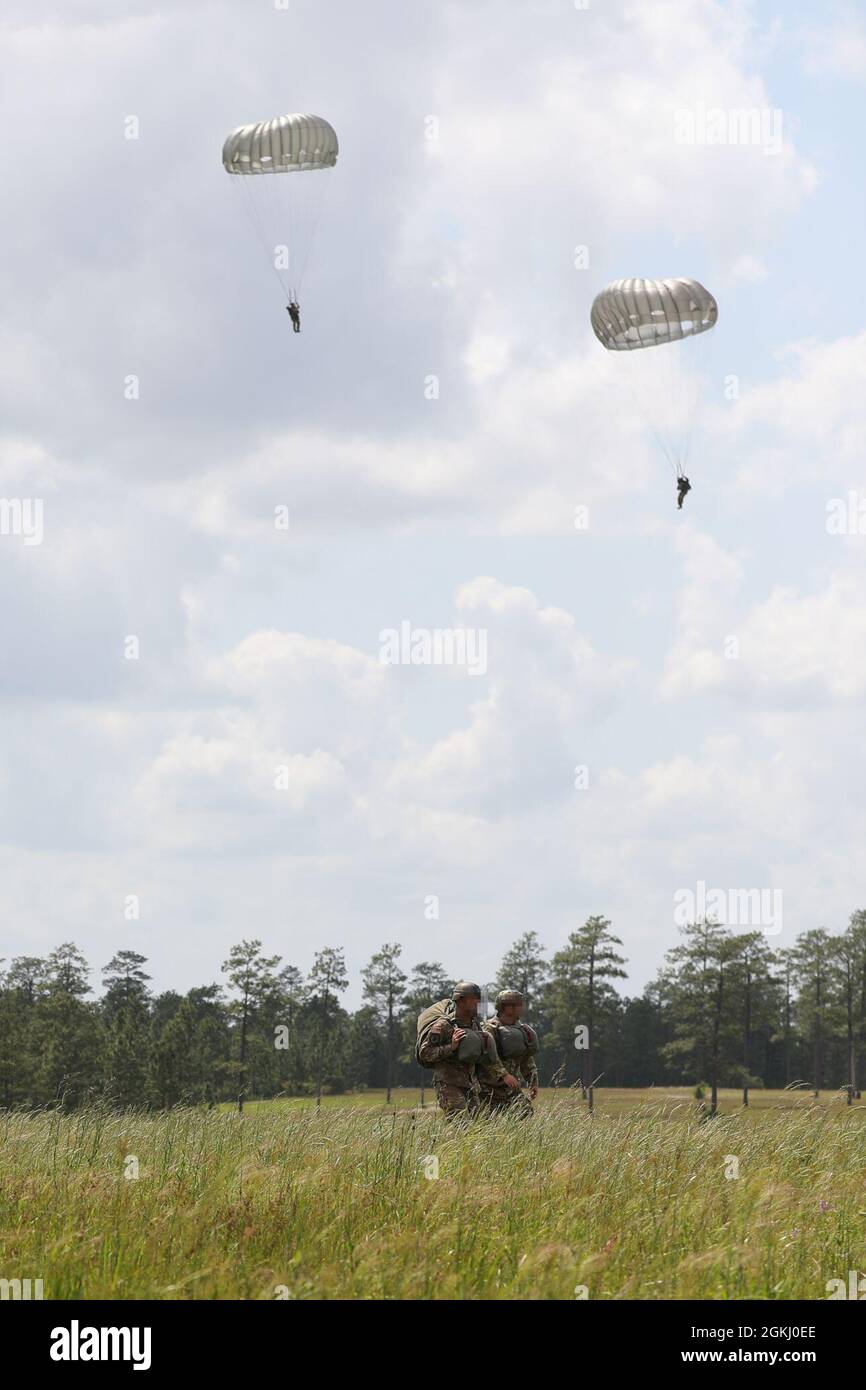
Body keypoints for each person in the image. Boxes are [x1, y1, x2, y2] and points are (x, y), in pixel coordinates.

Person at [417, 982, 519, 1121]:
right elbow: (425, 1053)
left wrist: (504, 1075)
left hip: (470, 1086)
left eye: (479, 998)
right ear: (460, 1000)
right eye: (475, 998)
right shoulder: (444, 1025)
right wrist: (451, 1047)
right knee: (461, 1125)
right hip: (449, 1085)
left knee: (480, 1127)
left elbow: (485, 1056)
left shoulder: (475, 1024)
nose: (478, 1002)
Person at [478, 989, 538, 1117]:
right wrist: (504, 1075)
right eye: (518, 1005)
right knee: (488, 1122)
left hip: (511, 1088)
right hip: (489, 1088)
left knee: (525, 1112)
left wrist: (532, 1081)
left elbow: (526, 1058)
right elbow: (487, 1057)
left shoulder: (521, 1029)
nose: (522, 1008)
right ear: (507, 1007)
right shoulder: (490, 1028)